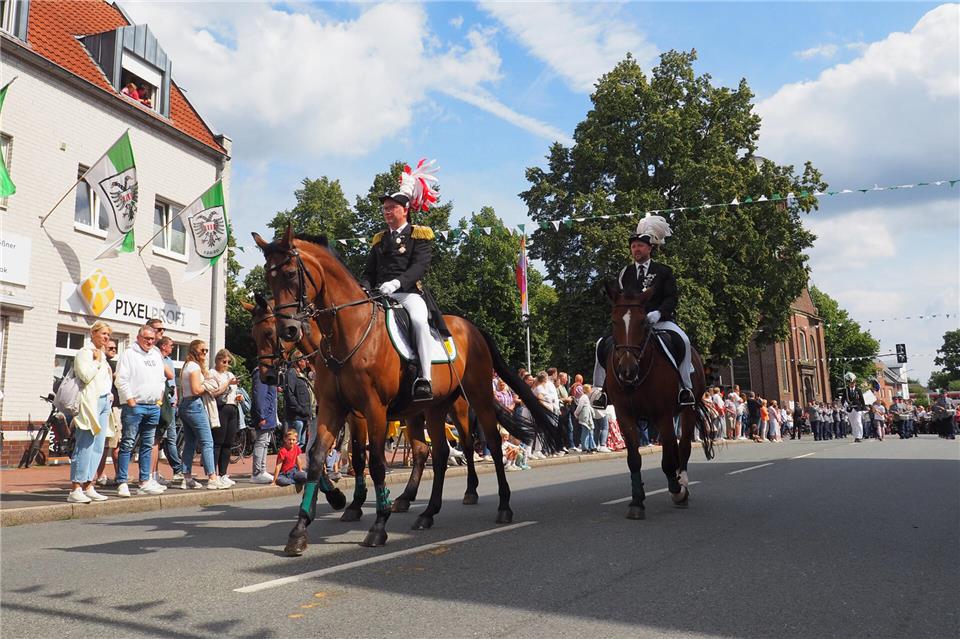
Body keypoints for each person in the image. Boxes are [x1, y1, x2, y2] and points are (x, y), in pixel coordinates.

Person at [593, 215, 695, 406]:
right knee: (601, 343)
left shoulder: (663, 271)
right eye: (633, 247)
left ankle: (685, 388)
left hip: (660, 320)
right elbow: (620, 298)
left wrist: (659, 313)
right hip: (632, 324)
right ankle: (601, 390)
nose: (636, 249)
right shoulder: (625, 272)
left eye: (640, 246)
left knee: (684, 340)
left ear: (649, 248)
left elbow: (671, 298)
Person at [359, 160, 440, 401]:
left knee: (418, 321)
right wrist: (363, 287)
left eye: (391, 207)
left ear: (405, 210)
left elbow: (419, 267)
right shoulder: (379, 239)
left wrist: (397, 283)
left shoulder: (419, 234)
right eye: (384, 208)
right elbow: (368, 271)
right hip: (378, 294)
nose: (386, 211)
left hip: (408, 293)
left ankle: (425, 377)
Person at [114, 325, 167, 497]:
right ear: (139, 338)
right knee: (128, 443)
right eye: (146, 338)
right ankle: (122, 481)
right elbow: (121, 379)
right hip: (135, 406)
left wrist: (159, 399)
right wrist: (130, 400)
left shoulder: (156, 354)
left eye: (152, 339)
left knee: (147, 444)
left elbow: (161, 378)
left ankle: (144, 480)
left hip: (153, 406)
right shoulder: (129, 353)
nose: (150, 342)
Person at [67, 321, 114, 503]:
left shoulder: (102, 355)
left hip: (103, 402)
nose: (106, 338)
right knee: (85, 443)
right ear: (93, 333)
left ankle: (89, 484)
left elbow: (104, 380)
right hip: (89, 402)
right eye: (103, 334)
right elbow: (85, 376)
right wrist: (95, 361)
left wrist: (109, 394)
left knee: (98, 446)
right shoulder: (85, 353)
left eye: (108, 335)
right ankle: (76, 487)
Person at [179, 340, 231, 490]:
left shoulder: (187, 366)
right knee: (207, 441)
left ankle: (186, 477)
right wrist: (208, 385)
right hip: (194, 404)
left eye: (206, 351)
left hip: (185, 404)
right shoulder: (194, 367)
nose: (205, 353)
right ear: (195, 351)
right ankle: (212, 478)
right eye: (202, 351)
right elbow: (196, 390)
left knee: (190, 442)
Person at [151, 334, 182, 485]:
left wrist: (175, 400)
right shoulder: (159, 359)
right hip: (161, 403)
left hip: (171, 403)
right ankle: (177, 469)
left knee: (170, 438)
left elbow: (172, 382)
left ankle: (175, 469)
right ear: (163, 346)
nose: (172, 348)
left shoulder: (168, 360)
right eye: (170, 345)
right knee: (165, 438)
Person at [210, 349, 240, 485]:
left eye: (228, 362)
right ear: (217, 360)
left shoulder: (230, 374)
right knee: (218, 442)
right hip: (220, 408)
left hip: (232, 407)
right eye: (224, 361)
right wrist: (227, 383)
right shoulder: (212, 373)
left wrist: (238, 397)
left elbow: (234, 391)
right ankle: (214, 474)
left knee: (228, 442)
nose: (226, 364)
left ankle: (223, 473)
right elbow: (214, 392)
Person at [95, 338, 121, 486]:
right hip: (106, 408)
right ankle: (101, 475)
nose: (113, 350)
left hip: (116, 408)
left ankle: (119, 474)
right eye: (110, 348)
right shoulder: (102, 365)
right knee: (104, 444)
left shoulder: (114, 365)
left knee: (117, 444)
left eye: (115, 348)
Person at [250, 367, 277, 483]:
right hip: (265, 415)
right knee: (261, 442)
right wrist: (262, 415)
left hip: (269, 413)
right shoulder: (260, 373)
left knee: (265, 442)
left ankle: (262, 470)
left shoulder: (269, 373)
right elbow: (259, 395)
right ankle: (256, 472)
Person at [283, 357, 311, 448]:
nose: (307, 362)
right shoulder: (291, 373)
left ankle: (295, 462)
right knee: (293, 444)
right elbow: (289, 394)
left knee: (300, 444)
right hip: (296, 417)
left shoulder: (301, 374)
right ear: (298, 361)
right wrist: (299, 409)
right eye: (304, 360)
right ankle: (290, 462)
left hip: (303, 416)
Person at [840, 372, 867, 442]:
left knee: (858, 422)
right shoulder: (846, 390)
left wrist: (863, 408)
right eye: (850, 383)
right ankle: (855, 436)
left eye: (853, 383)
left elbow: (862, 399)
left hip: (857, 408)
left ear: (855, 383)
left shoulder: (858, 390)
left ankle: (859, 436)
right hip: (850, 408)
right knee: (853, 423)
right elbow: (843, 399)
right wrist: (843, 405)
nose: (852, 384)